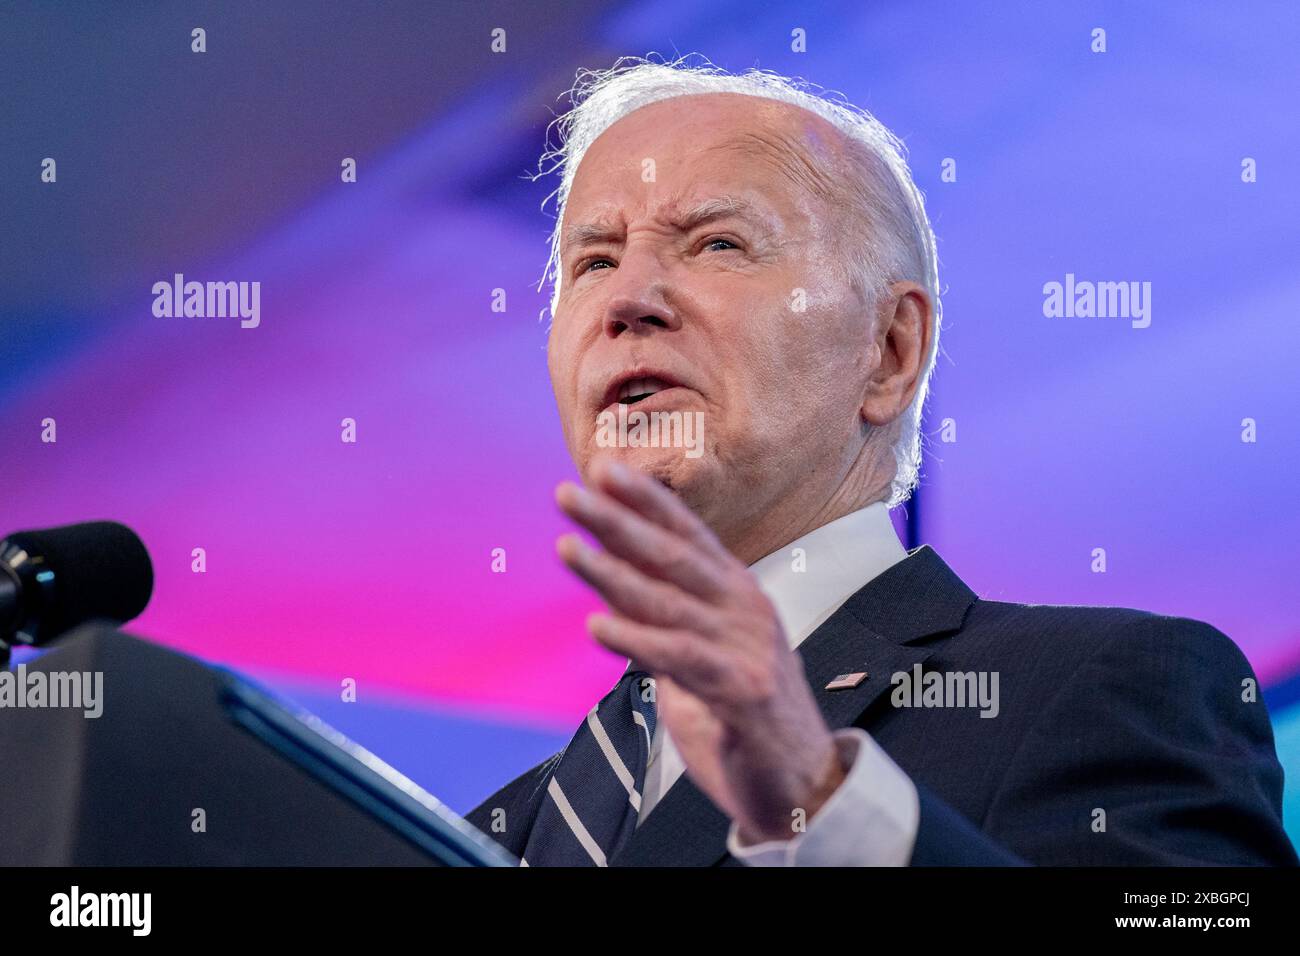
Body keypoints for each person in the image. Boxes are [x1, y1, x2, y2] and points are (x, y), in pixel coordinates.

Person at [466, 58, 1296, 866]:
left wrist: (826, 806)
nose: (627, 300)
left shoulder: (1107, 688)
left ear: (890, 350)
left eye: (717, 244)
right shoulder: (485, 834)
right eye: (595, 261)